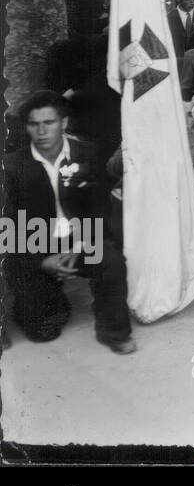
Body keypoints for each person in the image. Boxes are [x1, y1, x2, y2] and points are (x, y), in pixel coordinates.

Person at [2, 91, 134, 354]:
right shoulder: (13, 166)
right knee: (44, 331)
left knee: (112, 263)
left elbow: (99, 206)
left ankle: (114, 331)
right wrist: (43, 260)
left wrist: (80, 246)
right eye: (34, 124)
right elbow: (9, 225)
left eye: (48, 122)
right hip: (35, 243)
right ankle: (45, 300)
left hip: (82, 238)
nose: (41, 131)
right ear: (27, 126)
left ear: (63, 123)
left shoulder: (87, 153)